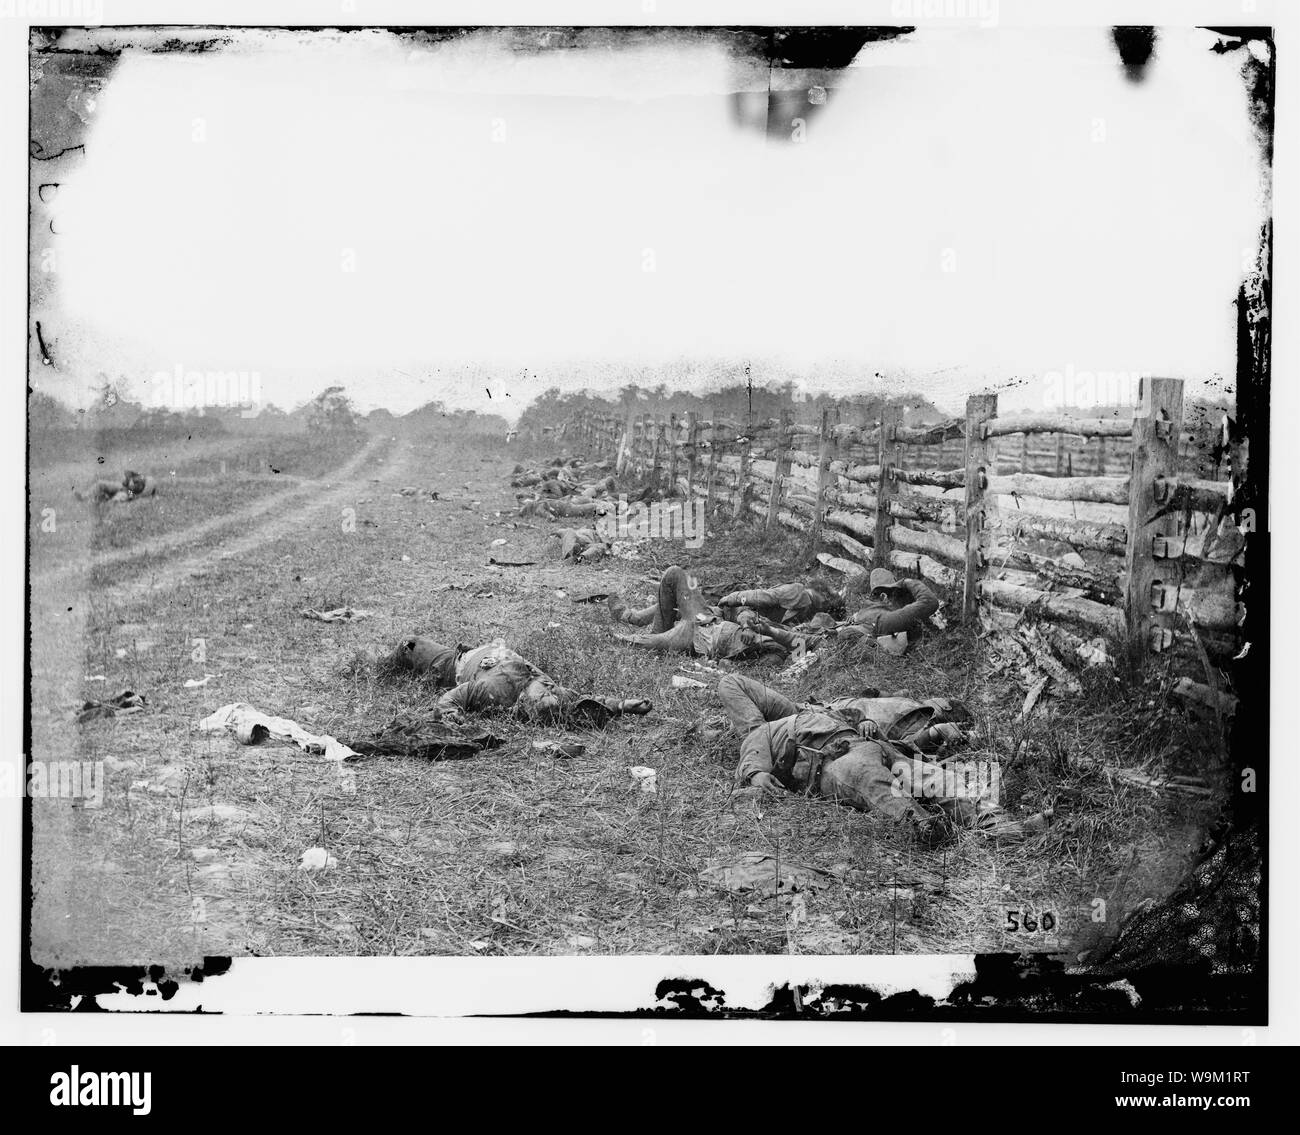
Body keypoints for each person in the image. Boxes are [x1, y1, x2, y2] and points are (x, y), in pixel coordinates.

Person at [717, 673, 1050, 844]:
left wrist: (863, 721)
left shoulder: (812, 711)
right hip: (833, 763)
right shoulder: (764, 733)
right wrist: (755, 774)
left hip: (872, 743)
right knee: (871, 781)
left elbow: (858, 717)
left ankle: (1004, 827)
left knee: (936, 778)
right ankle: (922, 824)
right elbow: (752, 750)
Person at [391, 636, 652, 725]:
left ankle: (378, 662)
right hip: (486, 651)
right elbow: (586, 701)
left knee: (409, 644)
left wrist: (450, 714)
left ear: (526, 702)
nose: (549, 691)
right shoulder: (550, 691)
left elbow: (450, 698)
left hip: (454, 664)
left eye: (544, 696)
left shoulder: (495, 691)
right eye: (550, 693)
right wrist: (623, 705)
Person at [608, 565, 806, 661]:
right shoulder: (786, 596)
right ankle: (630, 617)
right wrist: (740, 611)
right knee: (676, 582)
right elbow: (747, 605)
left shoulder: (792, 630)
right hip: (713, 616)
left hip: (710, 626)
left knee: (676, 590)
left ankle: (636, 625)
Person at [838, 568, 941, 656]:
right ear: (884, 597)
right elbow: (930, 602)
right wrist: (907, 582)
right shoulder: (884, 620)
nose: (902, 601)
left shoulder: (864, 613)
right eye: (898, 595)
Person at [716, 580, 841, 625]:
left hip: (756, 623)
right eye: (825, 598)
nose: (824, 602)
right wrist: (734, 598)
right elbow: (765, 596)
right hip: (742, 610)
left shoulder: (814, 611)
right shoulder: (798, 591)